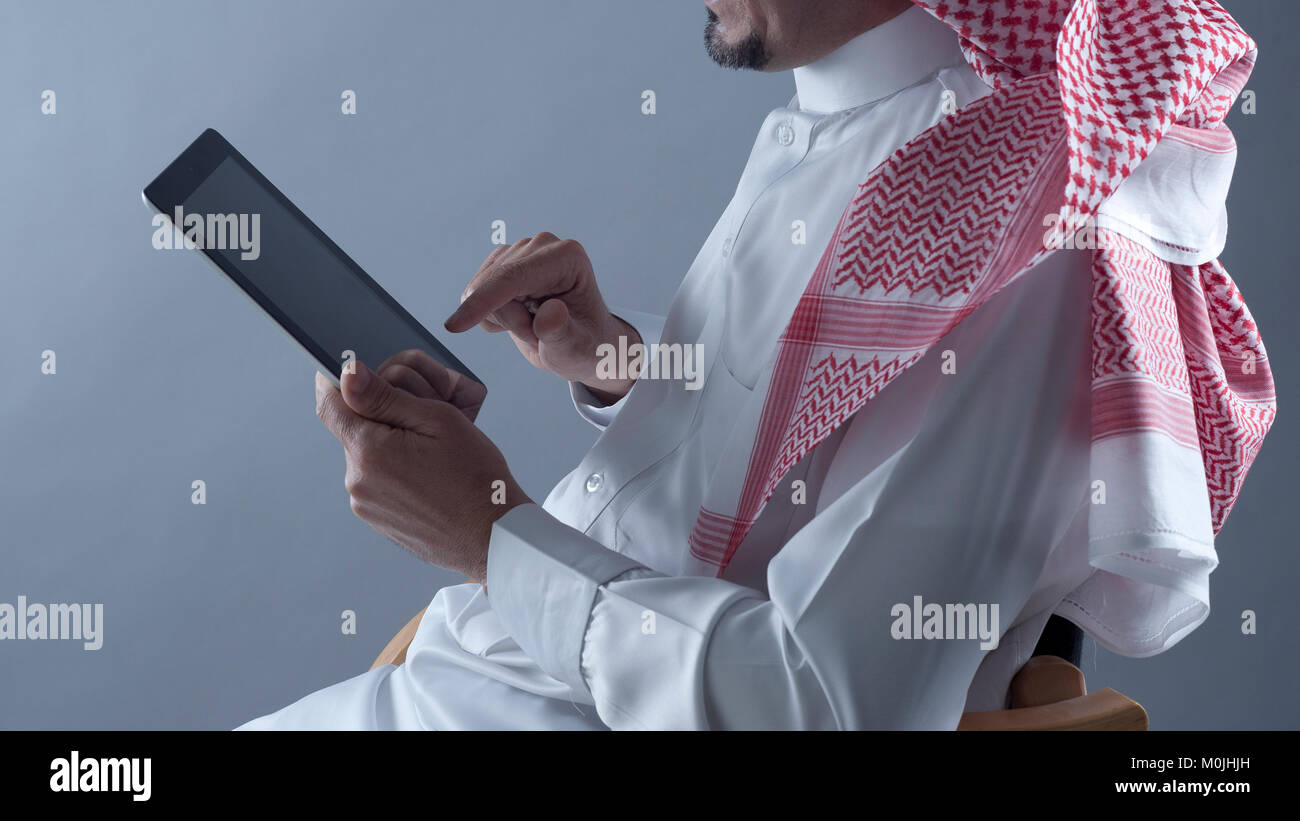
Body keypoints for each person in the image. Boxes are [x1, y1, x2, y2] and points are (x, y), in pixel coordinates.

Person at [240, 0, 1275, 730]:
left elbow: (825, 704)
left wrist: (490, 533)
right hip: (474, 678)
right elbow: (790, 465)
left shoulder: (1016, 221)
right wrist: (624, 363)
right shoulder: (856, 104)